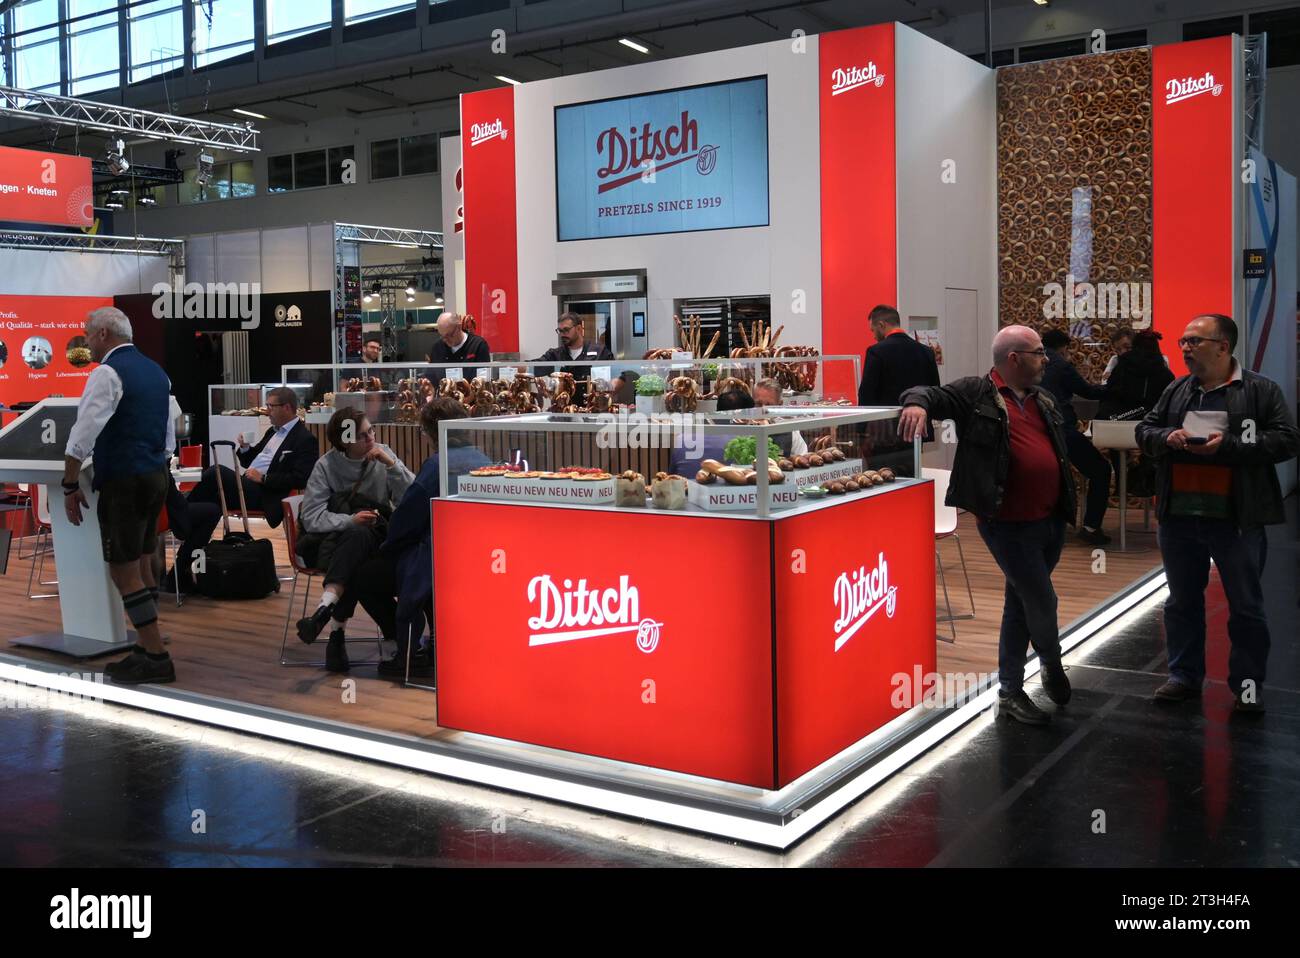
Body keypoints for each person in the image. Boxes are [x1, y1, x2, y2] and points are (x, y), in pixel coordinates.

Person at [898, 325, 1076, 726]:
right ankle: (1050, 661)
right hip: (1007, 524)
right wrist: (916, 404)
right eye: (1038, 352)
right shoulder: (976, 393)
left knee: (1022, 601)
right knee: (1042, 600)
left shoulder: (1044, 399)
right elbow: (929, 392)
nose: (1046, 359)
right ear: (1014, 358)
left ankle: (1011, 691)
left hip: (1049, 519)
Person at [1135, 314, 1299, 712]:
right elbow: (1145, 429)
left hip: (1235, 520)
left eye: (1195, 341)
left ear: (1223, 346)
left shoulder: (1259, 390)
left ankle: (1246, 688)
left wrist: (1226, 445)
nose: (1186, 348)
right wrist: (1165, 437)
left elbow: (1285, 439)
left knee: (1245, 607)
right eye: (1183, 341)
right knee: (1181, 603)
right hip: (1179, 517)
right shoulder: (1177, 389)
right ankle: (1184, 676)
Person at [61, 307, 174, 684]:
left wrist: (69, 482)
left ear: (105, 334)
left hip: (124, 480)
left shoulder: (106, 373)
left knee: (122, 570)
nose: (86, 341)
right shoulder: (157, 372)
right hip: (155, 474)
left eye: (88, 334)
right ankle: (144, 647)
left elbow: (83, 433)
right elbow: (169, 432)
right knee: (144, 563)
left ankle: (156, 655)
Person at [376, 397, 491, 679]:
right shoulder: (483, 460)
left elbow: (409, 515)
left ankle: (408, 653)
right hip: (477, 553)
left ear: (431, 431)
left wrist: (388, 543)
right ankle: (438, 642)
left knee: (371, 574)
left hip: (439, 553)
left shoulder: (437, 465)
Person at [294, 408, 415, 672]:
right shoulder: (326, 466)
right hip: (336, 542)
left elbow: (411, 497)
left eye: (371, 430)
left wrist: (391, 465)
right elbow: (313, 518)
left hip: (379, 537)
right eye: (362, 435)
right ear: (344, 440)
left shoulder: (383, 453)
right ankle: (383, 636)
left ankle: (328, 619)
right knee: (358, 555)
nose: (371, 438)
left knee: (359, 539)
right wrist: (349, 520)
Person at [168, 386, 317, 592]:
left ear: (287, 408)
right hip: (247, 485)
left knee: (215, 472)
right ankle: (179, 572)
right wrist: (245, 448)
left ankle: (179, 513)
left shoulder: (304, 439)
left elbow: (301, 478)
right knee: (209, 510)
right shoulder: (271, 433)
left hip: (265, 494)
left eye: (271, 407)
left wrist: (264, 478)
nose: (267, 411)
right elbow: (250, 460)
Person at [1040, 329, 1113, 545]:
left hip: (1037, 431)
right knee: (1100, 470)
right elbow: (1088, 391)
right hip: (1062, 430)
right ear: (1064, 347)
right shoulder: (1061, 366)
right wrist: (1115, 388)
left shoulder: (1033, 362)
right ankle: (1091, 527)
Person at [857, 305, 940, 408]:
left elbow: (866, 394)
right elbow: (935, 391)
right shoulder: (927, 351)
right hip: (920, 420)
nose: (874, 336)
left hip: (888, 421)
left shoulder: (876, 351)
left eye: (873, 330)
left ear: (881, 325)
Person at [534, 312, 614, 401]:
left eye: (566, 330)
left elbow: (617, 377)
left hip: (591, 410)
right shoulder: (555, 354)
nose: (562, 334)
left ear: (579, 329)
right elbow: (533, 366)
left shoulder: (600, 352)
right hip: (562, 411)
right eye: (560, 331)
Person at [1099, 329, 1175, 418]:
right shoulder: (1117, 365)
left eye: (1128, 347)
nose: (1123, 352)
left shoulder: (1122, 368)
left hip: (1122, 421)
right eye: (1118, 350)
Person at [752, 378, 808, 456]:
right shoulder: (741, 428)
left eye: (769, 405)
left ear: (779, 404)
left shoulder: (790, 432)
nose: (763, 410)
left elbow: (802, 458)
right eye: (758, 404)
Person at [427, 312, 491, 366]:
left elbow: (484, 376)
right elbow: (431, 375)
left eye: (449, 335)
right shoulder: (437, 347)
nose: (445, 340)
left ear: (459, 327)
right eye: (442, 336)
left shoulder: (478, 345)